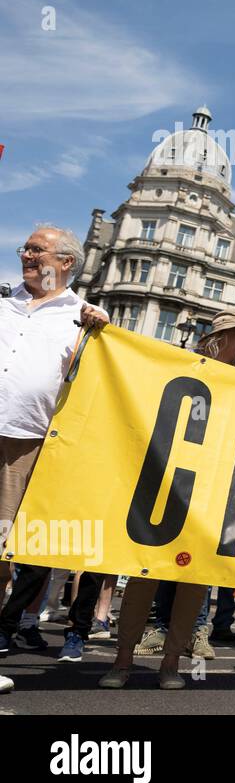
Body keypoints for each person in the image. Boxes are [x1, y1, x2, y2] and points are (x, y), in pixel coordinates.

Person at [100, 309, 235, 689]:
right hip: (163, 483)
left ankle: (171, 665)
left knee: (194, 580)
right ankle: (122, 661)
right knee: (145, 575)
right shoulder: (176, 364)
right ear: (223, 333)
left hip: (209, 491)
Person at [0, 226, 108, 691]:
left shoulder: (84, 320)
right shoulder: (3, 303)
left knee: (2, 556)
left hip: (24, 444)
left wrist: (101, 336)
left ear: (65, 262)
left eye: (36, 249)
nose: (25, 254)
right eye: (25, 247)